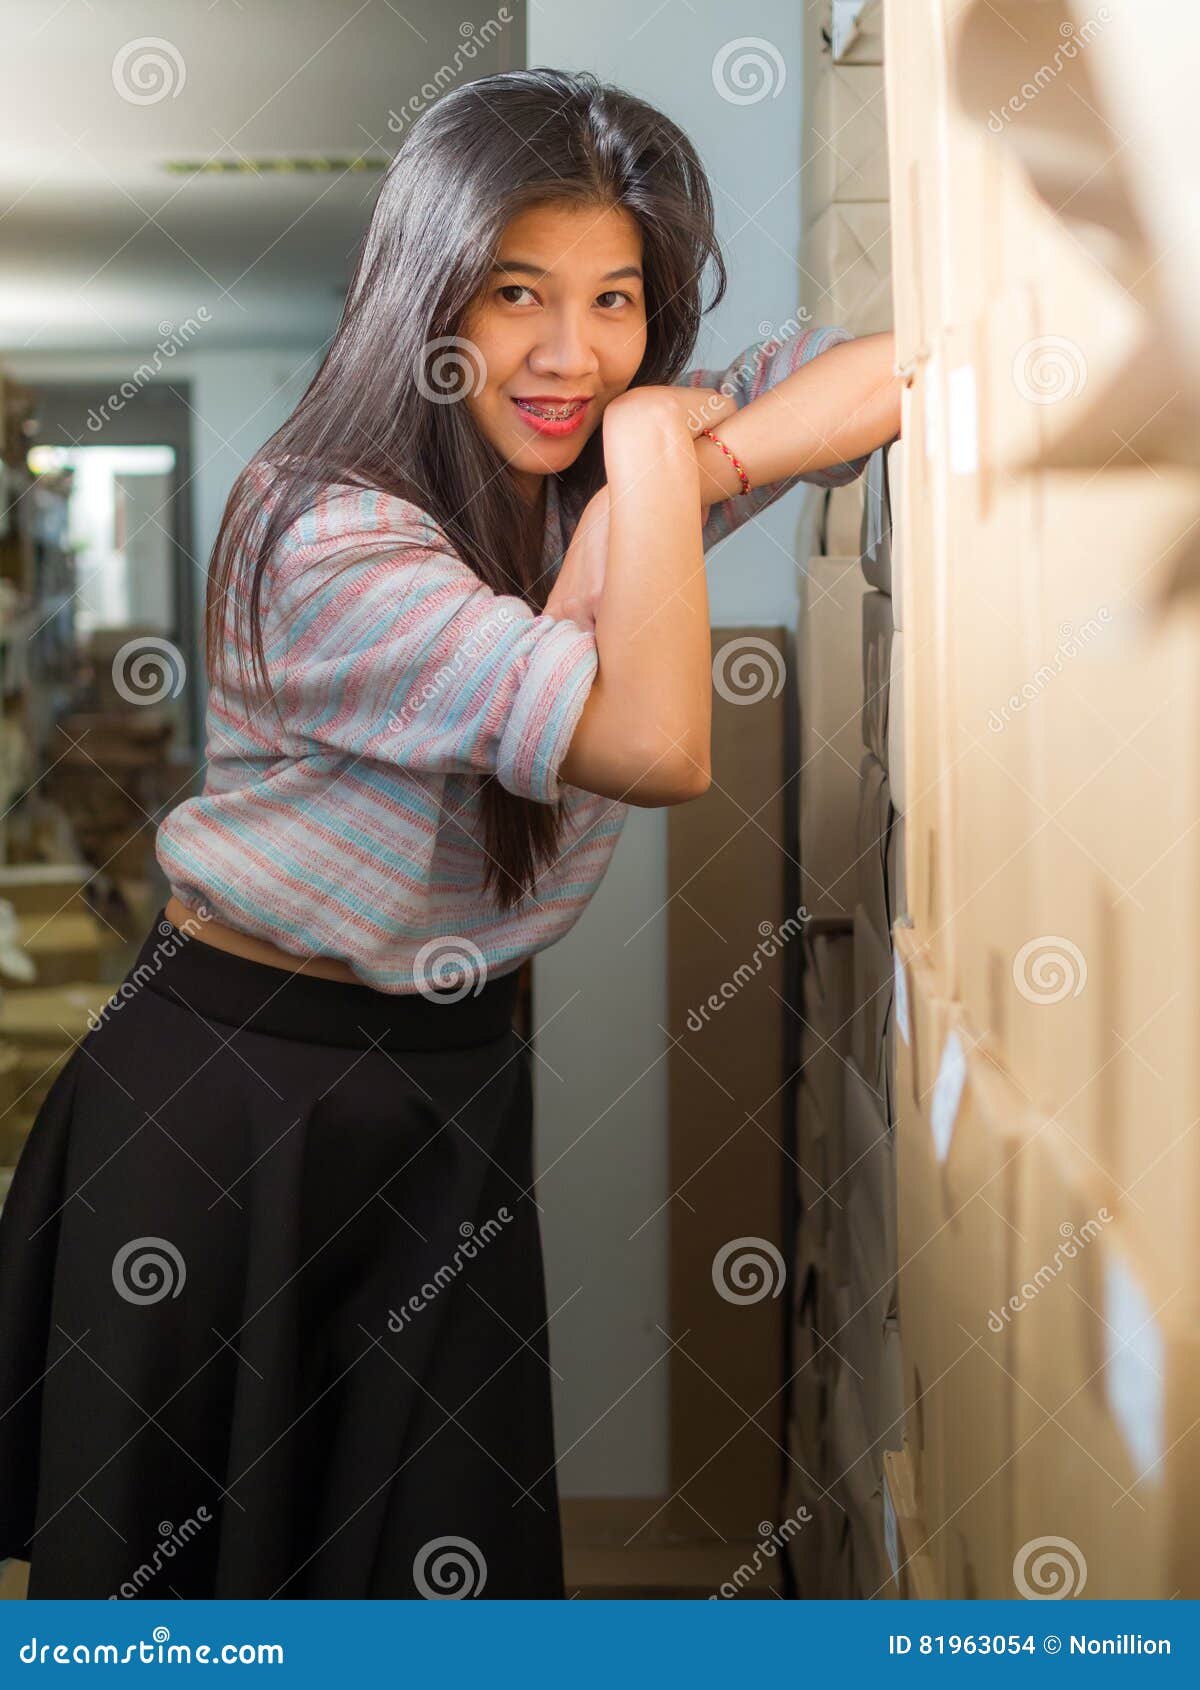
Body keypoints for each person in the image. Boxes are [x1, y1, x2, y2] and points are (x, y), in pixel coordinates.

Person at [0, 68, 901, 1598]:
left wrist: (699, 466)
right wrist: (654, 477)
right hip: (238, 1098)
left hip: (446, 1086)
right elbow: (660, 743)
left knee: (433, 1573)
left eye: (617, 300)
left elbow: (901, 365)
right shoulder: (329, 527)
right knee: (200, 1595)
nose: (572, 352)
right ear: (427, 300)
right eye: (513, 294)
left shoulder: (568, 489)